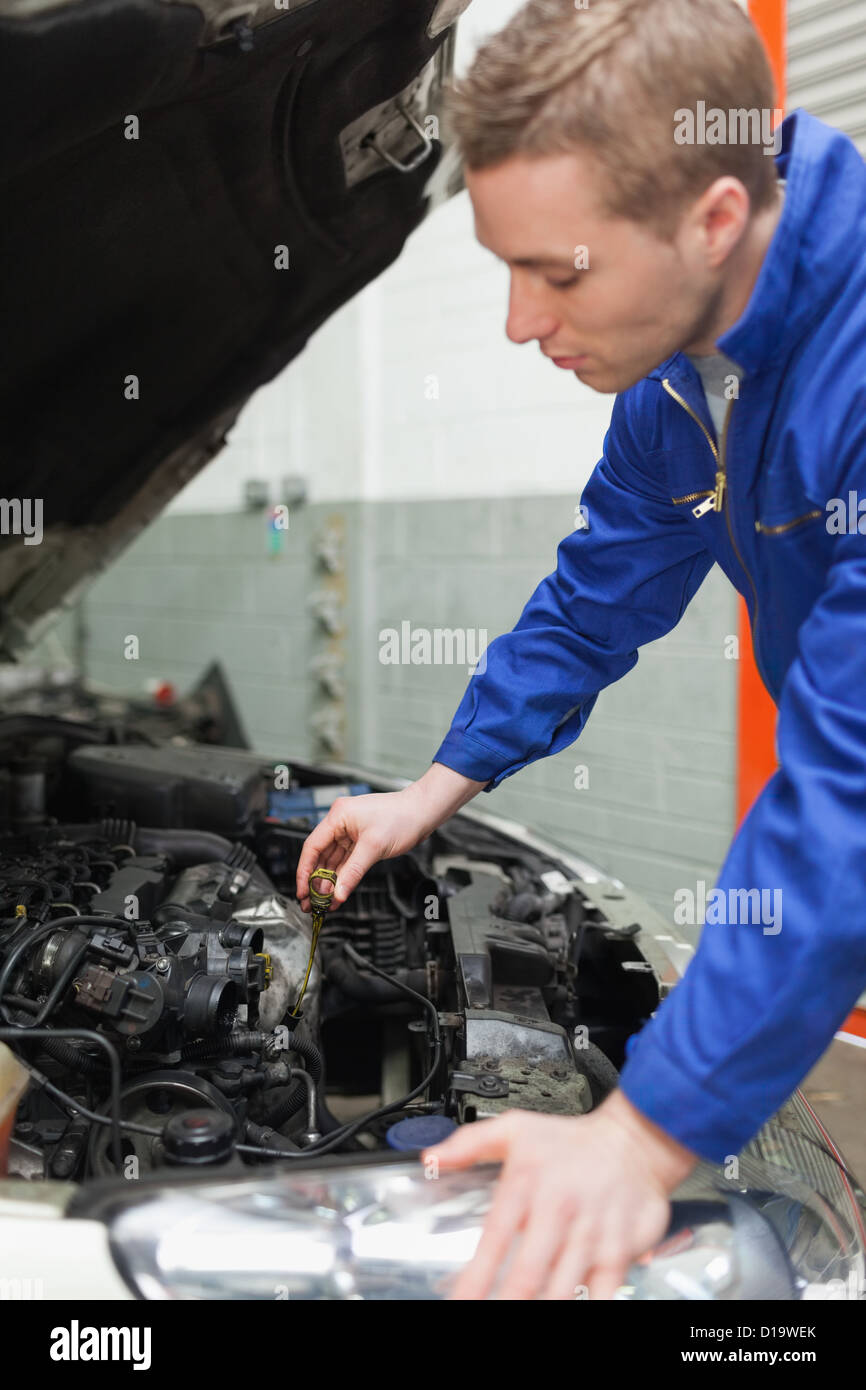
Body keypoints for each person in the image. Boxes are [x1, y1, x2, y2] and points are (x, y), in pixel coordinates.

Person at [297, 0, 866, 1299]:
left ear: (712, 218)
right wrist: (432, 790)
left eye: (554, 271)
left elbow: (849, 789)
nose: (515, 322)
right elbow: (595, 596)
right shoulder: (687, 375)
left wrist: (639, 1133)